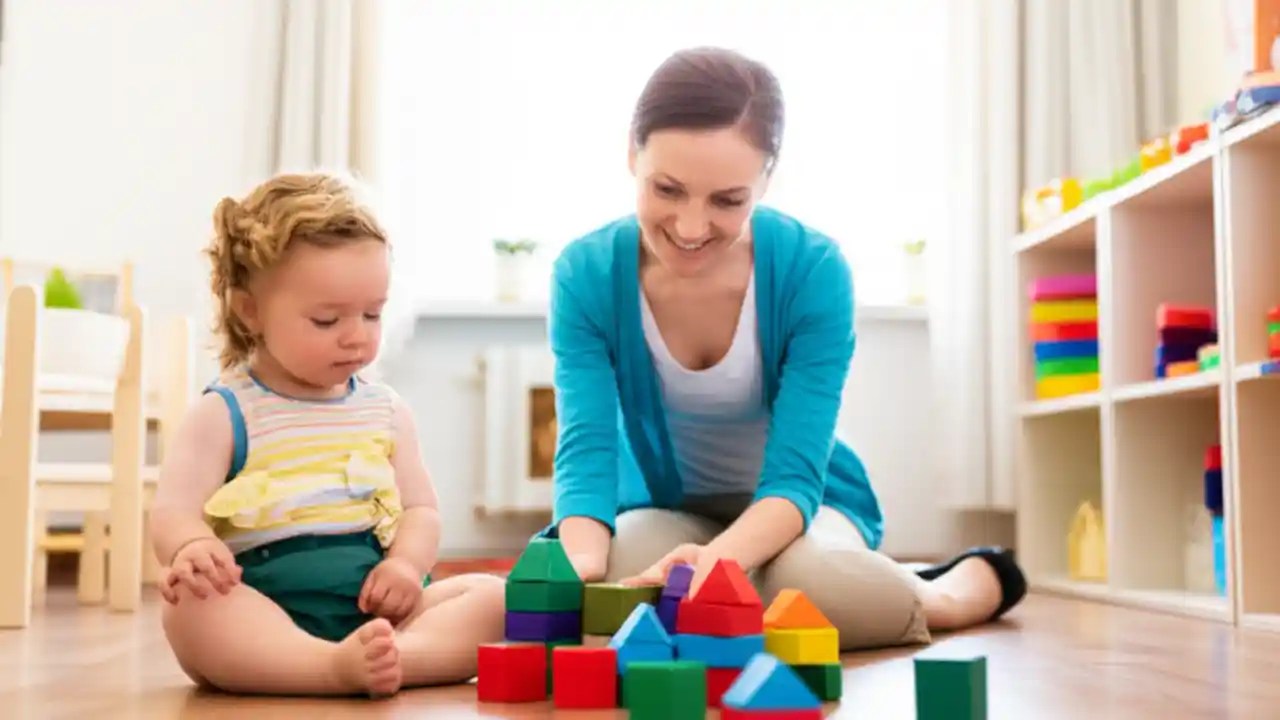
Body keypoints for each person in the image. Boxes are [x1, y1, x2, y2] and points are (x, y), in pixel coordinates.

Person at [544, 46, 1027, 650]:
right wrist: (577, 583)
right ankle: (836, 587)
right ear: (630, 155)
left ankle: (949, 592)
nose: (692, 228)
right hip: (672, 510)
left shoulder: (813, 269)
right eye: (667, 189)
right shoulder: (583, 274)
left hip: (803, 508)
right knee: (621, 576)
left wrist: (715, 565)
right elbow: (587, 458)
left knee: (809, 583)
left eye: (728, 200)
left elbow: (795, 479)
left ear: (767, 179)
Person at [149, 172, 505, 697]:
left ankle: (395, 657)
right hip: (264, 610)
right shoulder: (225, 411)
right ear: (251, 311)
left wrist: (405, 566)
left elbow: (420, 511)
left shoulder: (385, 410)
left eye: (372, 314)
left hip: (376, 609)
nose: (357, 335)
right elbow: (172, 511)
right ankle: (325, 667)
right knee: (190, 608)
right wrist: (194, 547)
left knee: (494, 599)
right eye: (325, 319)